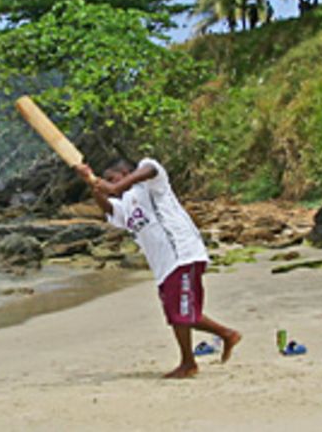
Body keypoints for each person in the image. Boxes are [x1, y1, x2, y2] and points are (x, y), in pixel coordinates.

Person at [76, 158, 241, 379]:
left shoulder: (150, 182)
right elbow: (108, 207)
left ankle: (200, 354)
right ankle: (210, 346)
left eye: (112, 178)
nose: (110, 184)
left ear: (125, 173)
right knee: (176, 313)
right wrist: (91, 182)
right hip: (164, 264)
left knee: (180, 312)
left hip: (182, 252)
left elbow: (150, 169)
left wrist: (114, 187)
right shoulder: (126, 203)